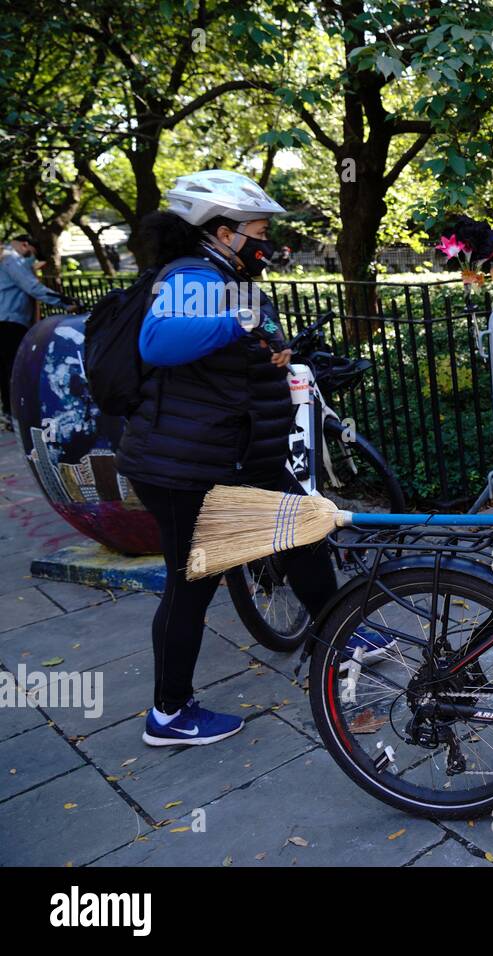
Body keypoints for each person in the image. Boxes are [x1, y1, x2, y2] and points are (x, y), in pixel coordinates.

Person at [115, 170, 389, 748]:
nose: (267, 243)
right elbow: (158, 342)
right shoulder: (192, 276)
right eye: (260, 232)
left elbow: (234, 352)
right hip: (187, 467)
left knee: (301, 534)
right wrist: (242, 321)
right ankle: (169, 713)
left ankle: (341, 634)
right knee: (193, 584)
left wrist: (271, 349)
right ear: (223, 232)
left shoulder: (226, 276)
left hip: (236, 457)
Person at [0, 234, 78, 428]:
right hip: (10, 321)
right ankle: (15, 412)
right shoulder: (11, 260)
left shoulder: (7, 259)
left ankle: (9, 412)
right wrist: (64, 301)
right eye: (32, 254)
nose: (32, 259)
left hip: (7, 319)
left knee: (6, 367)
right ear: (25, 246)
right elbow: (31, 286)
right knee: (12, 368)